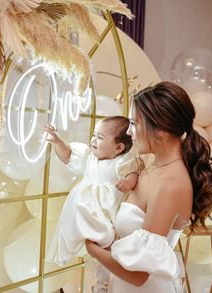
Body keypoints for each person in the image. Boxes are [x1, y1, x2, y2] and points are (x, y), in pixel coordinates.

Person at [85, 81, 212, 293]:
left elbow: (138, 275)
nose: (129, 132)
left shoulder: (171, 185)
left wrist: (91, 248)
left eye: (134, 124)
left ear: (161, 129)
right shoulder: (150, 166)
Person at [46, 116, 142, 292]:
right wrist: (57, 141)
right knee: (95, 254)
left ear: (118, 147)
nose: (93, 140)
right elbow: (67, 155)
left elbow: (134, 173)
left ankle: (103, 285)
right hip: (86, 213)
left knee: (107, 250)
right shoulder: (89, 158)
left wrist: (127, 183)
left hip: (105, 214)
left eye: (100, 137)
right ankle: (101, 282)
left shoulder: (120, 163)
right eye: (93, 135)